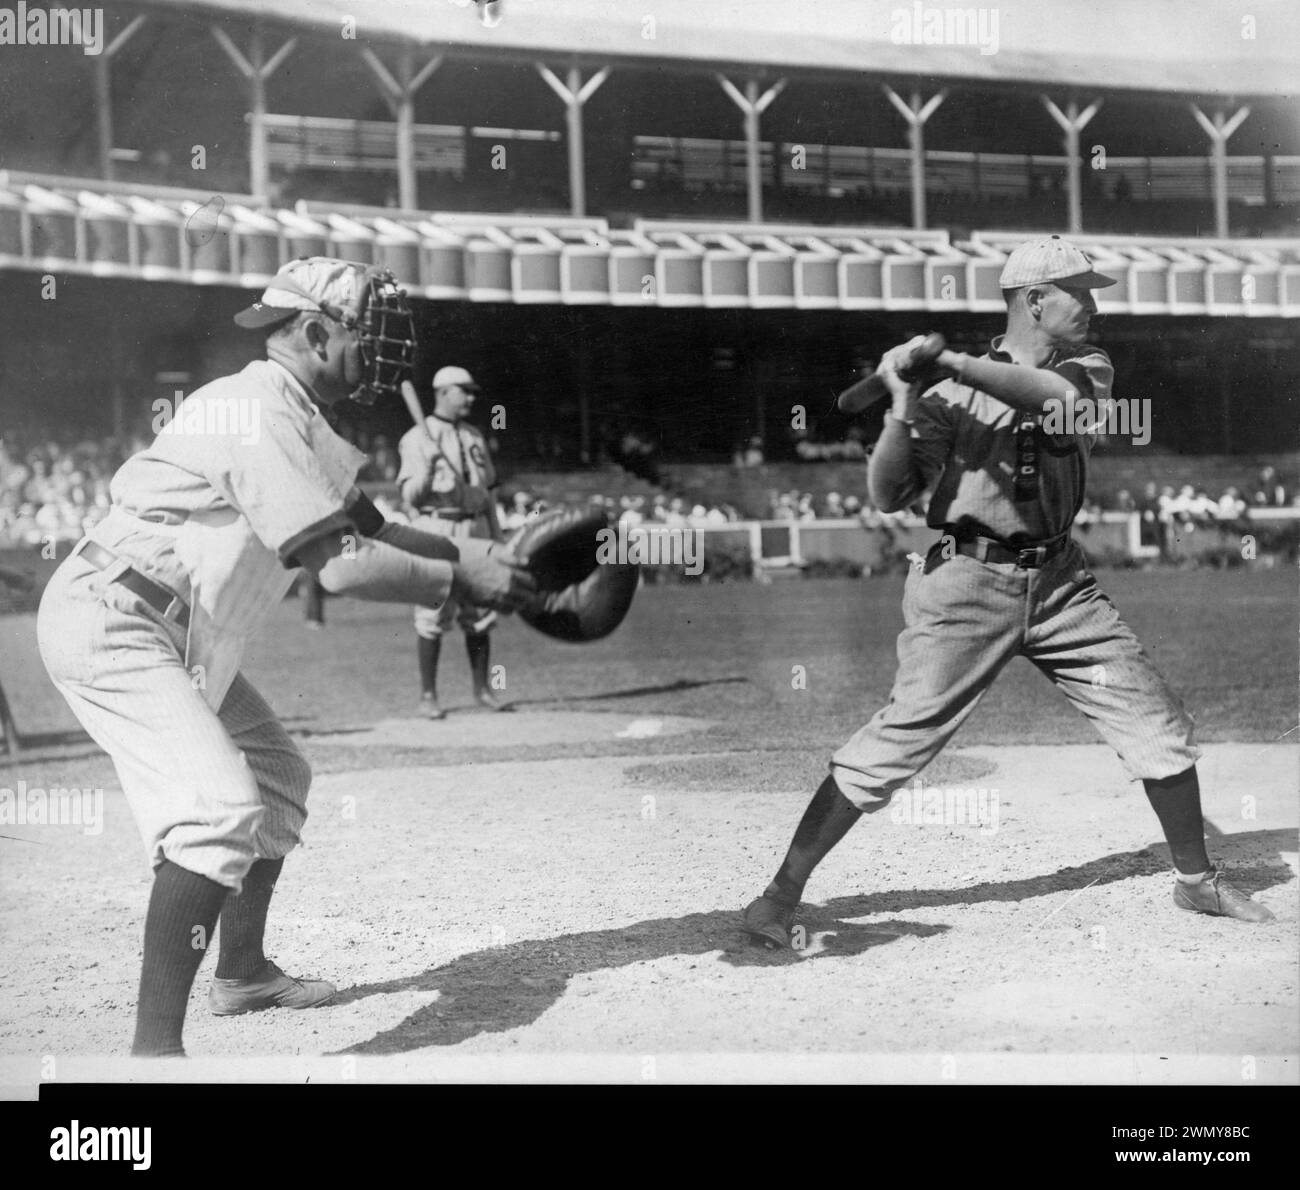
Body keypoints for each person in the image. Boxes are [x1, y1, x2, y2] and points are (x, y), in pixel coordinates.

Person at [36, 258, 536, 1056]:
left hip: (180, 626)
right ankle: (152, 1061)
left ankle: (242, 974)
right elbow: (336, 562)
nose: (380, 354)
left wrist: (479, 559)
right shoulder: (253, 409)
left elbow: (372, 530)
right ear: (312, 332)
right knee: (216, 811)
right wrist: (458, 575)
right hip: (117, 618)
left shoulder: (298, 417)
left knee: (275, 777)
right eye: (365, 336)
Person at [740, 236, 1273, 950]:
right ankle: (777, 898)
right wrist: (902, 403)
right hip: (965, 585)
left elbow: (1056, 402)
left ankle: (1196, 880)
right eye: (1078, 292)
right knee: (896, 741)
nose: (1091, 305)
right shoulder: (945, 394)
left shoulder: (1087, 369)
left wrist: (951, 361)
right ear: (1033, 300)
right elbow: (890, 492)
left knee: (1154, 717)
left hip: (1061, 585)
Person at [397, 365, 508, 719]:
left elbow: (488, 492)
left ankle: (484, 690)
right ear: (444, 392)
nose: (472, 398)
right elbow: (410, 498)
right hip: (438, 528)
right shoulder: (416, 437)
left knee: (480, 612)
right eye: (465, 391)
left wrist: (497, 538)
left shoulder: (475, 436)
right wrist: (428, 470)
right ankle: (428, 696)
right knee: (433, 611)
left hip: (475, 528)